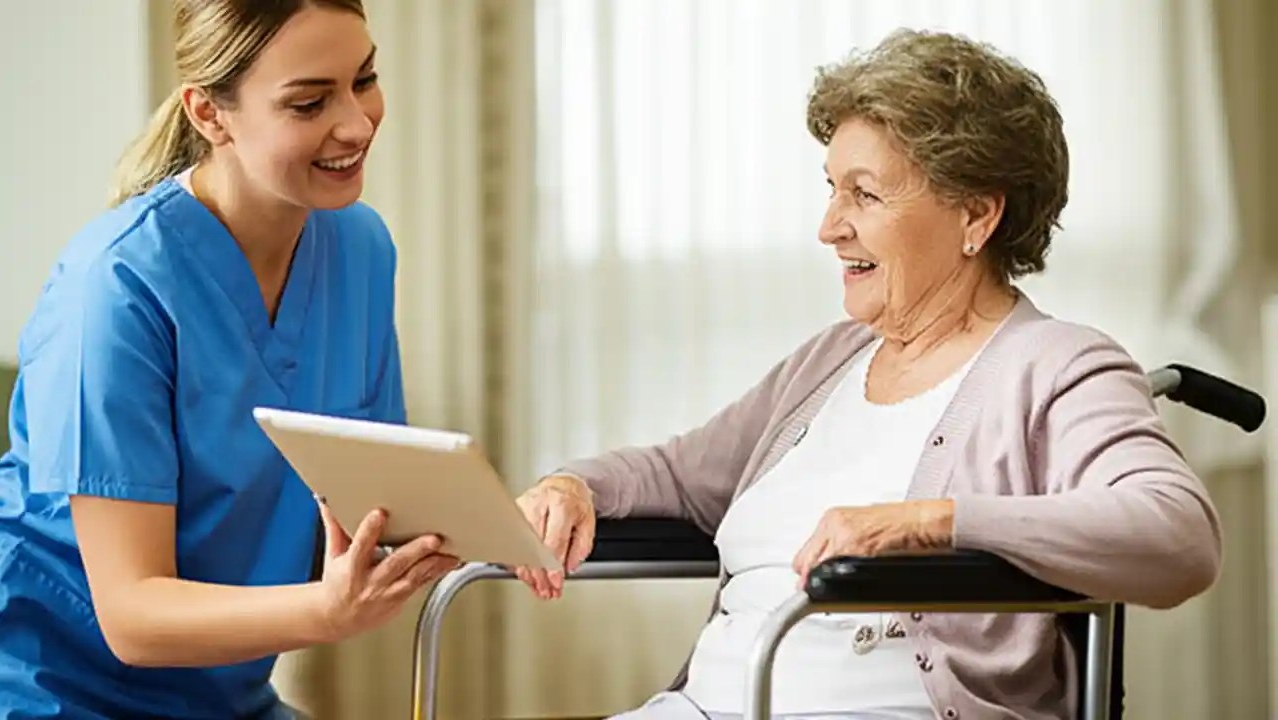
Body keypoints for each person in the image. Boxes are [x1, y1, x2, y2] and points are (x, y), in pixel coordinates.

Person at [513, 29, 1223, 720]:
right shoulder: (832, 360)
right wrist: (574, 487)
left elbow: (1179, 536)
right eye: (831, 189)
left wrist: (935, 523)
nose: (829, 226)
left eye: (865, 195)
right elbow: (676, 475)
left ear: (976, 214)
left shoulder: (1057, 365)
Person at [0, 2, 459, 718]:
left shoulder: (360, 247)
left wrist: (498, 520)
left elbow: (370, 500)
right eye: (309, 102)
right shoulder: (116, 285)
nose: (358, 123)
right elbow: (131, 614)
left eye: (363, 79)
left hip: (221, 695)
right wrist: (327, 610)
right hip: (50, 684)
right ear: (210, 115)